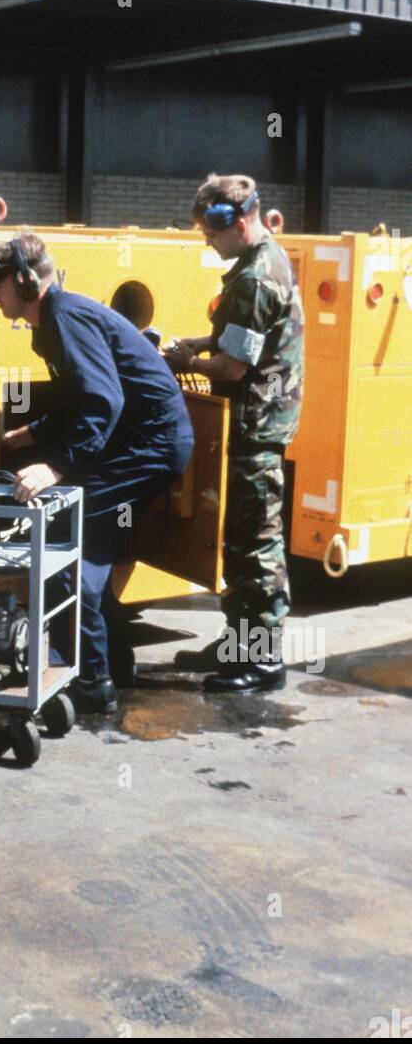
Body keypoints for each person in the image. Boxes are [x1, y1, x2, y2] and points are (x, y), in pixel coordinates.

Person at [0, 231, 194, 714]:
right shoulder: (55, 320)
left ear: (25, 281)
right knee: (88, 547)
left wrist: (56, 466)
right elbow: (83, 397)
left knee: (65, 538)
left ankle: (91, 681)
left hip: (149, 446)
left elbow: (104, 400)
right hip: (142, 442)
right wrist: (31, 433)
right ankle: (112, 667)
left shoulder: (67, 319)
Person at [163, 173, 303, 694]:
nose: (206, 242)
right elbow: (242, 340)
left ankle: (262, 659)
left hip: (255, 426)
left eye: (210, 233)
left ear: (238, 224)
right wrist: (201, 341)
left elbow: (234, 366)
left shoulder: (253, 278)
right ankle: (237, 642)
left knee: (256, 546)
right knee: (240, 541)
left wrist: (188, 358)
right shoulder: (261, 260)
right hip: (255, 424)